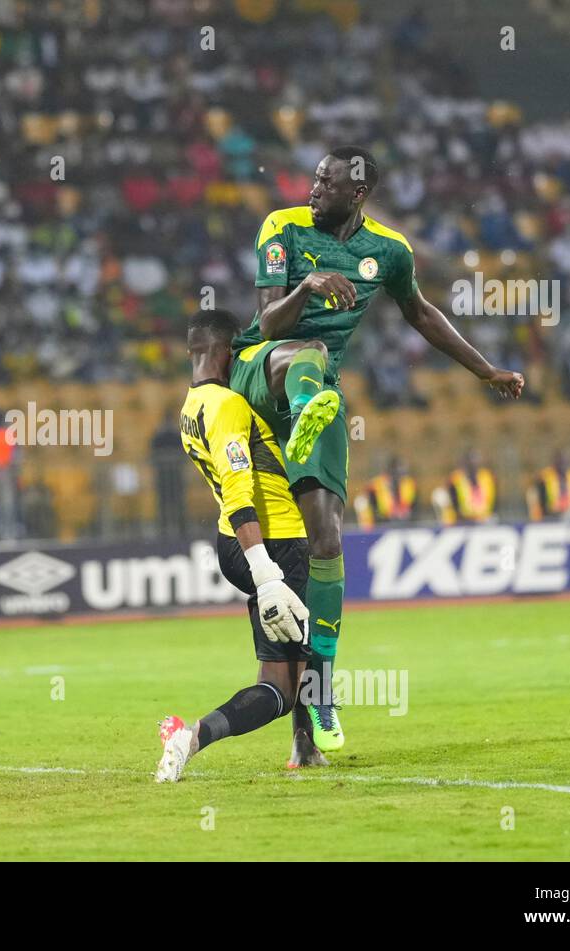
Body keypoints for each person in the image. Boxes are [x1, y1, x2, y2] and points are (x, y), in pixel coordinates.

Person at [228, 146, 525, 753]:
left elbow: (421, 312)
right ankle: (312, 404)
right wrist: (309, 284)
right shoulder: (281, 228)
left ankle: (320, 694)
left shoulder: (388, 251)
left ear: (356, 193)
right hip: (263, 371)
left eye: (324, 182)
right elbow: (270, 322)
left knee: (325, 545)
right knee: (306, 355)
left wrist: (485, 370)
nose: (311, 189)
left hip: (320, 394)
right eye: (312, 178)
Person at [156, 310, 314, 783]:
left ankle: (302, 746)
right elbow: (238, 485)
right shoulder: (227, 405)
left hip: (233, 541)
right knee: (289, 680)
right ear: (227, 352)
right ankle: (199, 735)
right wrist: (266, 574)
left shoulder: (189, 408)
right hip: (273, 542)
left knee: (295, 669)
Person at [353, 455, 417, 530]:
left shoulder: (409, 483)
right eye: (396, 470)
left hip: (406, 519)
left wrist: (403, 512)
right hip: (382, 519)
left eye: (401, 471)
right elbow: (367, 498)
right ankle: (367, 533)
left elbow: (414, 504)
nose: (398, 474)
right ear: (389, 470)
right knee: (361, 502)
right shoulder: (377, 483)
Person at [436, 449, 497, 525]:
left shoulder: (487, 476)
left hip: (484, 519)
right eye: (470, 462)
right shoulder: (455, 478)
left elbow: (493, 498)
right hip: (461, 521)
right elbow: (452, 500)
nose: (473, 465)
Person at [526, 450, 570, 522]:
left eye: (563, 462)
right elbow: (538, 497)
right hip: (551, 513)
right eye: (559, 462)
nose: (562, 465)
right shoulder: (546, 477)